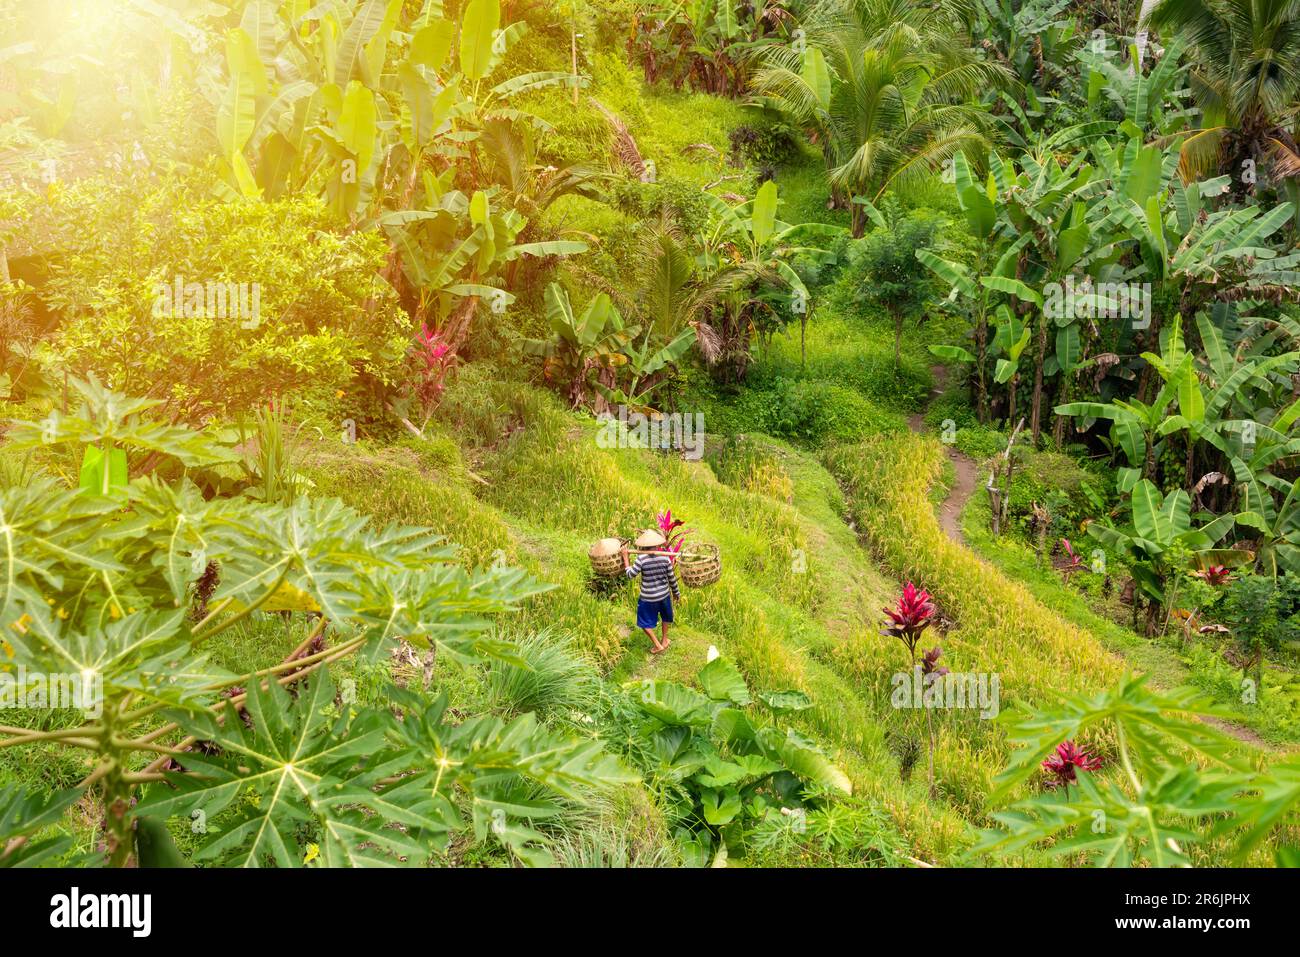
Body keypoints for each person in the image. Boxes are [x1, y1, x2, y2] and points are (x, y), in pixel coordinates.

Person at [621, 529, 680, 654]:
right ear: (658, 545)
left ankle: (658, 645)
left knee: (643, 622)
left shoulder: (641, 559)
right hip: (664, 596)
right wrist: (676, 594)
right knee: (666, 617)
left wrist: (626, 558)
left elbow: (630, 575)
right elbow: (672, 579)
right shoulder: (665, 559)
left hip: (648, 598)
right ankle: (664, 640)